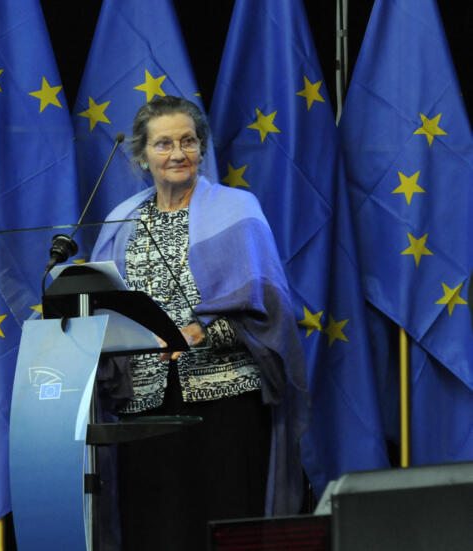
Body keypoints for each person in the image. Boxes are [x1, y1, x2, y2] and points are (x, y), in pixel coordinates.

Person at [91, 96, 308, 550]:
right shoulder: (120, 221)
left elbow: (270, 316)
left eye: (188, 141)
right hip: (143, 408)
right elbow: (99, 307)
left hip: (225, 403)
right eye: (163, 143)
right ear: (142, 155)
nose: (176, 154)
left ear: (202, 149)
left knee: (223, 528)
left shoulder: (238, 210)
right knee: (154, 531)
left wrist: (200, 334)